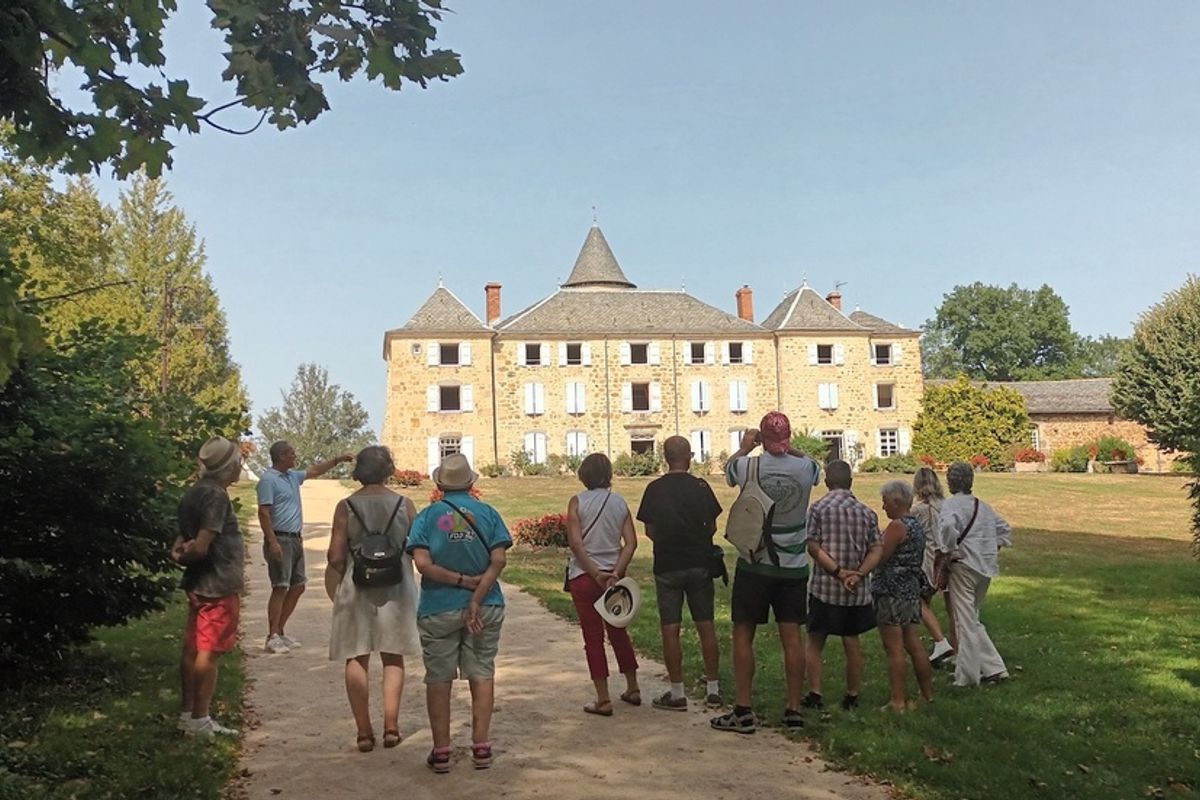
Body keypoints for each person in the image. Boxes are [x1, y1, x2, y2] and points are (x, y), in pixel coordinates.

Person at [711, 411, 821, 735]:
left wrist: (747, 446)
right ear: (788, 436)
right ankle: (793, 710)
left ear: (761, 437)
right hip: (793, 566)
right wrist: (792, 447)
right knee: (792, 638)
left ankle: (743, 709)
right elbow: (816, 467)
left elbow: (729, 471)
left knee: (744, 633)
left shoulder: (749, 466)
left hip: (756, 562)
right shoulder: (805, 469)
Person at [407, 453, 512, 773]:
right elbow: (499, 560)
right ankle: (481, 746)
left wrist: (461, 581)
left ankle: (441, 750)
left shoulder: (427, 517)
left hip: (438, 606)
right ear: (470, 482)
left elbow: (422, 564)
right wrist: (476, 595)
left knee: (439, 677)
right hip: (486, 605)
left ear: (440, 485)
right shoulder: (488, 513)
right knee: (482, 671)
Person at [326, 446, 420, 752]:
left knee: (356, 656)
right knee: (393, 656)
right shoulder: (404, 504)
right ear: (389, 470)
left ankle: (364, 732)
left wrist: (336, 584)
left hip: (357, 586)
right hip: (397, 587)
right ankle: (391, 727)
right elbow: (419, 548)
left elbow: (335, 555)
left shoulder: (346, 507)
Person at [636, 436, 723, 712]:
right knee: (706, 625)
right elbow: (712, 526)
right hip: (699, 562)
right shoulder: (701, 487)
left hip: (667, 564)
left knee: (670, 628)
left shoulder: (654, 489)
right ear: (690, 457)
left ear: (665, 458)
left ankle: (677, 692)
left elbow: (649, 529)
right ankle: (713, 688)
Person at [172, 436, 245, 737]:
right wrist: (186, 553)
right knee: (209, 651)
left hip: (198, 582)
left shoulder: (194, 492)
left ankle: (187, 714)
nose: (241, 466)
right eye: (239, 461)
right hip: (217, 583)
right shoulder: (217, 496)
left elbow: (183, 538)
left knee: (192, 648)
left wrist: (178, 553)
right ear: (228, 468)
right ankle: (200, 719)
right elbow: (201, 545)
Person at [257, 441, 354, 654]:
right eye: (291, 453)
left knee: (298, 586)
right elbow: (264, 512)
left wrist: (338, 460)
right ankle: (272, 636)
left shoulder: (292, 477)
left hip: (295, 539)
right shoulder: (268, 480)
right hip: (280, 538)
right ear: (281, 456)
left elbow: (315, 471)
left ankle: (280, 630)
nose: (295, 456)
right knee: (280, 586)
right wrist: (271, 541)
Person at [565, 453, 641, 716]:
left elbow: (576, 544)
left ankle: (603, 698)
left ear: (583, 476)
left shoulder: (577, 502)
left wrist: (594, 572)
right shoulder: (619, 502)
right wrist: (615, 572)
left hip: (584, 575)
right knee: (619, 631)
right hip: (613, 577)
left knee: (593, 638)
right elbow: (631, 543)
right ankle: (632, 686)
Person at [803, 460, 881, 712]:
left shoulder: (818, 509)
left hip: (825, 588)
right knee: (851, 640)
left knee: (815, 640)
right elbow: (876, 549)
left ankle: (815, 693)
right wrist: (859, 574)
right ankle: (852, 695)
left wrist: (837, 572)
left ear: (827, 482)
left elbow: (813, 546)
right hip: (856, 591)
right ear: (851, 481)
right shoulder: (867, 513)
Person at [936, 461, 1013, 687]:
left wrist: (949, 549)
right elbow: (1004, 530)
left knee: (965, 622)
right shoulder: (983, 506)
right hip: (985, 568)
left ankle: (967, 676)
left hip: (963, 567)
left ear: (950, 482)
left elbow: (947, 528)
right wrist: (991, 548)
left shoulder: (951, 505)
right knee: (972, 619)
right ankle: (994, 668)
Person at [863, 480, 935, 711]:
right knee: (914, 645)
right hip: (910, 591)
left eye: (885, 502)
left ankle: (897, 700)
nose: (883, 507)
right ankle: (927, 695)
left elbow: (880, 556)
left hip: (891, 592)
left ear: (897, 501)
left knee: (894, 649)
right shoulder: (917, 526)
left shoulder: (897, 526)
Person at [912, 467, 955, 664]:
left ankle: (940, 642)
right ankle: (954, 649)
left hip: (928, 561)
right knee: (951, 609)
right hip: (949, 558)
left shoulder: (918, 510)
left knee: (918, 601)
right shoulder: (947, 505)